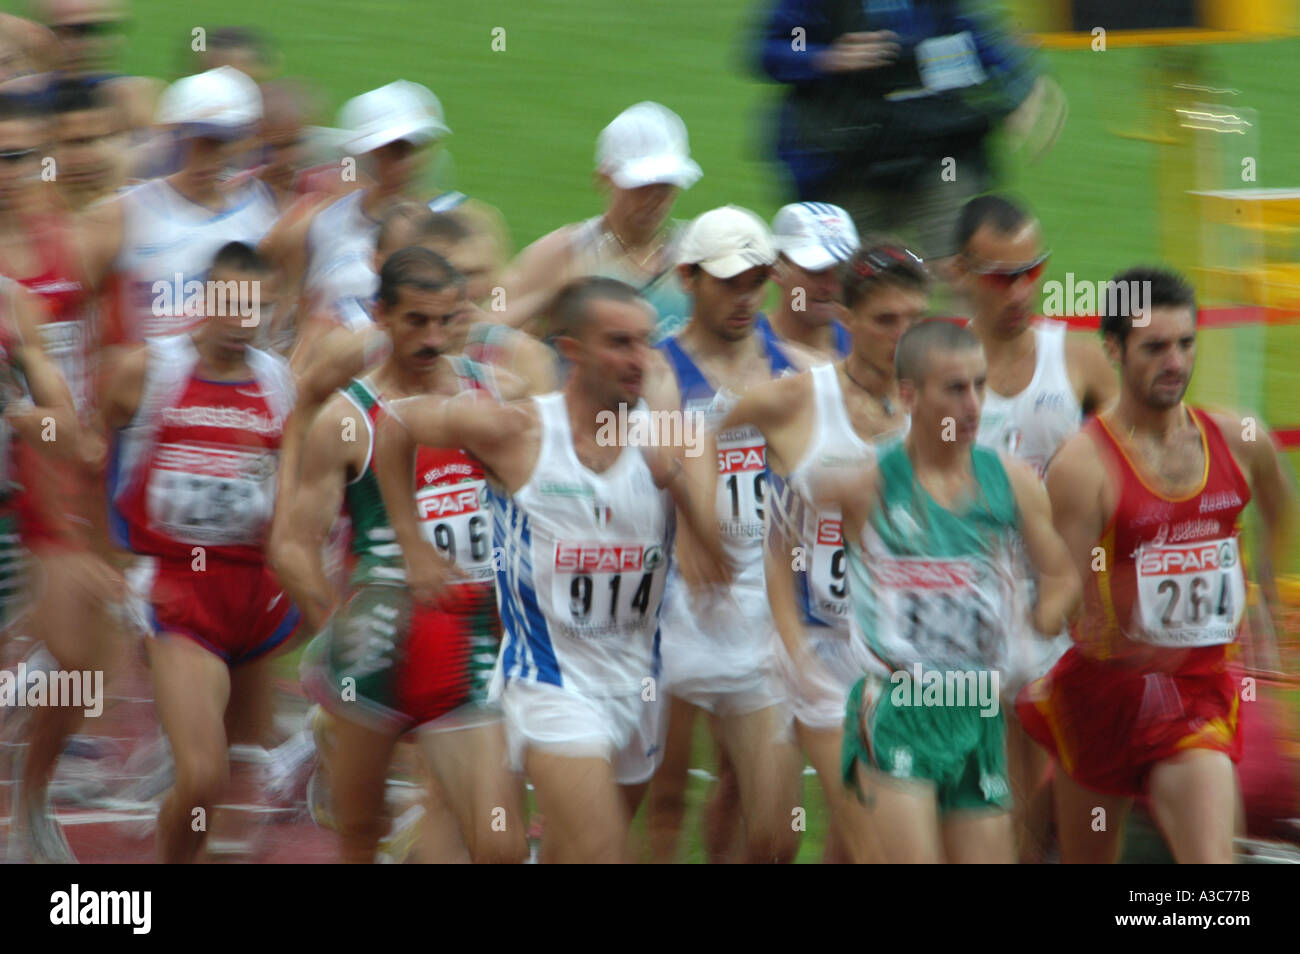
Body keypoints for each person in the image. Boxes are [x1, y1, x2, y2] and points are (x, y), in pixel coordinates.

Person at [372, 276, 725, 863]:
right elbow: (396, 424)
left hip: (639, 685)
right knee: (607, 854)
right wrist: (412, 545)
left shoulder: (677, 439)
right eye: (619, 342)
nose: (639, 358)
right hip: (549, 682)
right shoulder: (517, 432)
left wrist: (674, 475)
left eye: (645, 342)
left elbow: (715, 556)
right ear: (573, 351)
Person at [1016, 267, 1294, 864]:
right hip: (1106, 699)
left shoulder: (1238, 438)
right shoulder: (1083, 467)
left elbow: (1278, 502)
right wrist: (1092, 613)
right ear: (1113, 349)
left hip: (1197, 697)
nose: (1174, 362)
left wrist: (1266, 584)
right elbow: (1068, 585)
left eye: (1186, 344)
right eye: (1155, 348)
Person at [274, 247, 528, 863]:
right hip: (377, 648)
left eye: (446, 321)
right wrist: (335, 626)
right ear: (382, 316)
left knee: (498, 842)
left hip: (471, 642)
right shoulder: (349, 419)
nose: (433, 338)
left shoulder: (492, 397)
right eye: (416, 321)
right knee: (361, 829)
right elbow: (291, 544)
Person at [834, 318, 1079, 863]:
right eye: (954, 388)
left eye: (979, 385)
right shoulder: (865, 482)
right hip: (901, 708)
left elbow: (1062, 575)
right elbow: (788, 534)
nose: (973, 405)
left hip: (979, 711)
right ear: (908, 395)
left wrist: (1042, 619)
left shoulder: (1011, 481)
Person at [718, 240, 928, 862]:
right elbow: (699, 447)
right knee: (873, 837)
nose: (902, 334)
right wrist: (702, 538)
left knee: (846, 842)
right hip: (816, 646)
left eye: (915, 319)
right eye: (886, 320)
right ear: (847, 318)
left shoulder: (941, 403)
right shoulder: (794, 400)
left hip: (904, 652)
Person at [100, 242, 300, 863]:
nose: (246, 318)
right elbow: (89, 454)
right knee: (203, 774)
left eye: (260, 306)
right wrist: (107, 561)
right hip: (178, 594)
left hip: (254, 595)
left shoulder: (280, 383)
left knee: (239, 765)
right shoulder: (149, 372)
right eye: (234, 303)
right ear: (204, 298)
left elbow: (297, 489)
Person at [952, 193, 1117, 860]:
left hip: (1065, 601)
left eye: (1032, 271)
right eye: (999, 276)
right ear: (963, 272)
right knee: (994, 792)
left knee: (1072, 780)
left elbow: (1142, 462)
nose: (1019, 291)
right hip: (971, 607)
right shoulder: (942, 367)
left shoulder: (1077, 360)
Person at [649, 206, 811, 864]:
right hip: (668, 608)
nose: (746, 296)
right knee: (661, 811)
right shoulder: (658, 370)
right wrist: (692, 516)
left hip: (757, 609)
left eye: (757, 280)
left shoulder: (794, 369)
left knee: (776, 830)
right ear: (688, 276)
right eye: (729, 282)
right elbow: (667, 459)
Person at [755, 0, 1047, 260]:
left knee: (956, 272)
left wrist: (1019, 83)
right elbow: (769, 51)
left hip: (935, 155)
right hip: (850, 164)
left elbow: (967, 32)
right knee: (852, 284)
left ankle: (953, 319)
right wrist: (828, 57)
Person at [82, 66, 277, 349]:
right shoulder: (123, 212)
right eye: (197, 141)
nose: (208, 156)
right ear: (174, 136)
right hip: (149, 383)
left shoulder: (260, 210)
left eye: (221, 143)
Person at [496, 102, 699, 343]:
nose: (656, 199)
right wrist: (543, 296)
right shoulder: (564, 252)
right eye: (642, 186)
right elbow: (496, 306)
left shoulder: (697, 251)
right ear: (604, 179)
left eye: (666, 185)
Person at [759, 201, 860, 360]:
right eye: (817, 271)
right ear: (776, 270)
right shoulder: (743, 348)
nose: (832, 286)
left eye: (842, 271)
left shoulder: (864, 346)